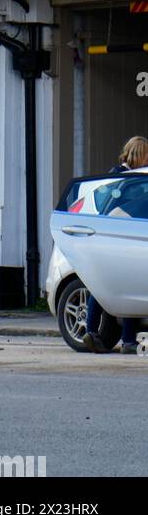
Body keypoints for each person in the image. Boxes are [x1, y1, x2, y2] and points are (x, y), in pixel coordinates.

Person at [82, 137, 148, 354]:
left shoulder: (121, 175)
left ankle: (97, 334)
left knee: (113, 285)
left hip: (119, 238)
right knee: (111, 285)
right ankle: (120, 339)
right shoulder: (124, 177)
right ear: (139, 154)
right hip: (116, 239)